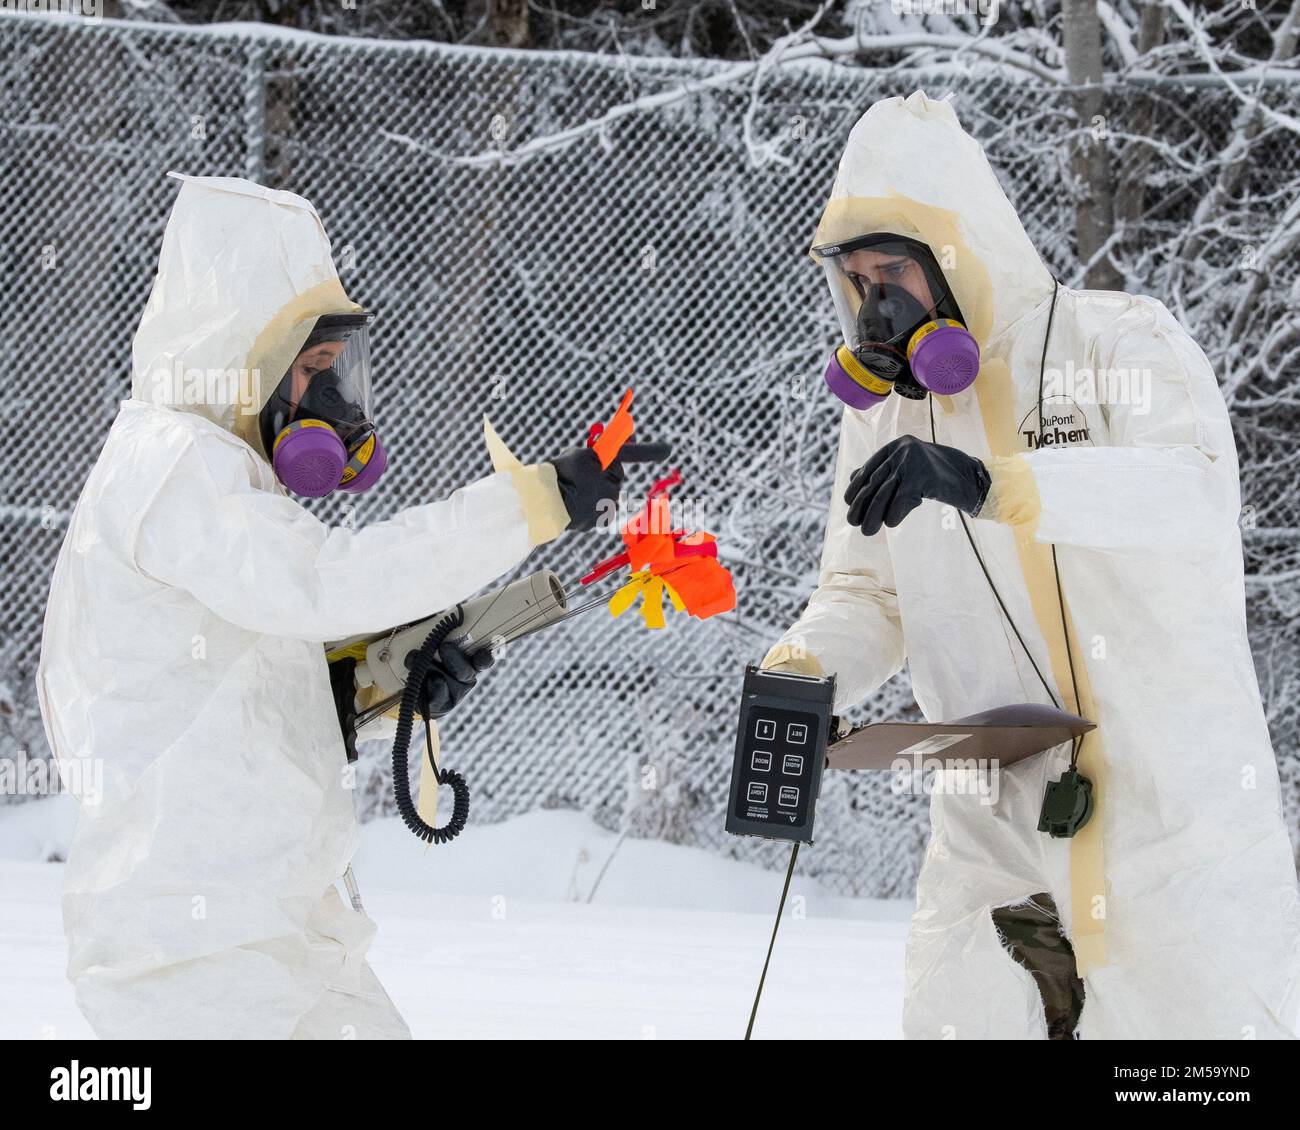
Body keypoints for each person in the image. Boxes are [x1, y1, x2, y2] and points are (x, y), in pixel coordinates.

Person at [36, 174, 666, 1039]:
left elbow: (231, 693)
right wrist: (529, 502)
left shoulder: (224, 484)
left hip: (283, 932)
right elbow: (326, 582)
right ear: (236, 357)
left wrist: (370, 693)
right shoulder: (170, 466)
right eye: (315, 370)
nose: (331, 401)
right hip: (192, 956)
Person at [763, 92, 1300, 1039]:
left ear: (957, 254)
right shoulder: (883, 414)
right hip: (992, 812)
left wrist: (991, 481)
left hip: (1159, 806)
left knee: (1191, 1065)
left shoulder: (1117, 342)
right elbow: (863, 591)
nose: (876, 301)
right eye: (856, 278)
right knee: (959, 1016)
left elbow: (1192, 493)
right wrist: (806, 670)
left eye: (896, 269)